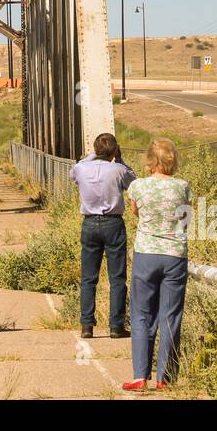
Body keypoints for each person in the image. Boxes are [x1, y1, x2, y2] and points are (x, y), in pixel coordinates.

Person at [123, 138, 192, 392]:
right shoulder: (183, 187)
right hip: (175, 255)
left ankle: (141, 375)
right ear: (173, 160)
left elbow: (135, 212)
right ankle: (165, 377)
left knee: (142, 315)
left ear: (149, 160)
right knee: (171, 316)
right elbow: (187, 220)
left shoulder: (138, 186)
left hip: (146, 254)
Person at [70, 132, 136, 339]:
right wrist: (121, 159)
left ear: (95, 149)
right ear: (114, 151)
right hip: (113, 224)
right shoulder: (118, 170)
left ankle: (86, 325)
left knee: (89, 278)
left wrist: (92, 155)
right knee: (117, 277)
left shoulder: (81, 168)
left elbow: (73, 174)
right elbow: (134, 184)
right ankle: (116, 326)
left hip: (89, 223)